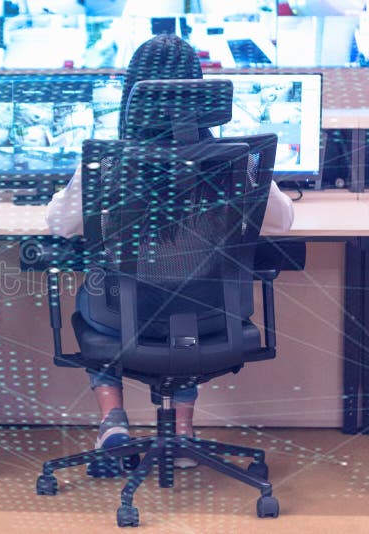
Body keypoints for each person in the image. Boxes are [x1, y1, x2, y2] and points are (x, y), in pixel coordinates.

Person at [45, 34, 294, 467]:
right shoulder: (232, 157)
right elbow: (281, 221)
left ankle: (113, 420)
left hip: (121, 321)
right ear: (201, 91)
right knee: (191, 297)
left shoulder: (110, 161)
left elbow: (59, 225)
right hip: (215, 319)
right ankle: (182, 433)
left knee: (99, 292)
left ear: (132, 94)